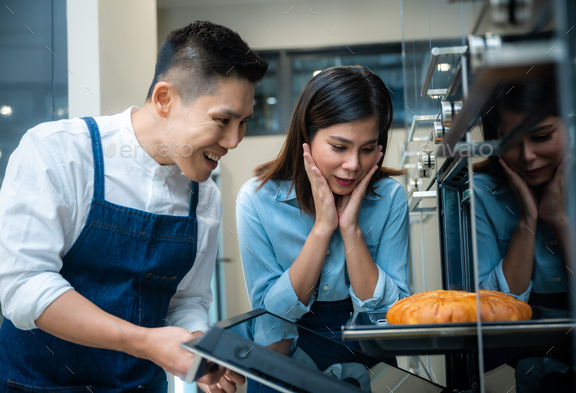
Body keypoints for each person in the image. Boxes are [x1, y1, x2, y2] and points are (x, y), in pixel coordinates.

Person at [0, 21, 267, 393]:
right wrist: (144, 342)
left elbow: (187, 299)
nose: (235, 140)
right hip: (37, 384)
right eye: (222, 120)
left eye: (243, 123)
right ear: (164, 99)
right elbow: (25, 287)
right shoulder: (58, 152)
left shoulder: (203, 195)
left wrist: (201, 353)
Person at [235, 66, 411, 392]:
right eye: (340, 147)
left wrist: (350, 230)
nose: (354, 165)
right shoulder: (257, 199)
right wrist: (322, 228)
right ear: (307, 137)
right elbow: (272, 318)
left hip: (368, 359)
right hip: (283, 353)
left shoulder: (390, 198)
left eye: (368, 148)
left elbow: (391, 317)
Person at [473, 76, 575, 392]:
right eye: (511, 141)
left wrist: (559, 220)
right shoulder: (482, 192)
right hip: (519, 350)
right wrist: (527, 221)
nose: (527, 155)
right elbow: (496, 310)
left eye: (542, 136)